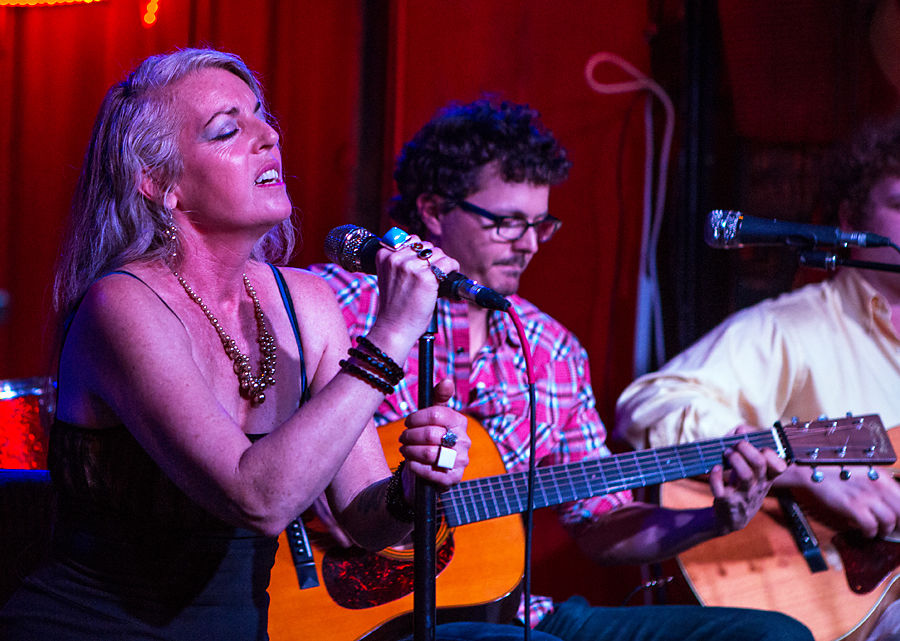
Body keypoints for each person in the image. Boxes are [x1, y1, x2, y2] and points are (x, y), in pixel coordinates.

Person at [0, 48, 472, 641]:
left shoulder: (308, 303)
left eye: (261, 116)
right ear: (161, 184)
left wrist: (411, 485)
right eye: (228, 130)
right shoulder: (120, 305)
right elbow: (257, 498)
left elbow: (365, 521)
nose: (269, 136)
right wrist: (391, 334)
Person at [309, 98, 814, 641]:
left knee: (774, 637)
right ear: (433, 210)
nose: (528, 244)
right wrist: (324, 496)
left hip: (509, 612)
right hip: (359, 613)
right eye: (507, 223)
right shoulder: (332, 304)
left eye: (540, 224)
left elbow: (601, 525)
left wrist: (712, 518)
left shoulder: (552, 349)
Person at [615, 115, 900, 639]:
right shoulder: (793, 326)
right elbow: (652, 405)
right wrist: (801, 468)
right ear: (849, 219)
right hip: (828, 593)